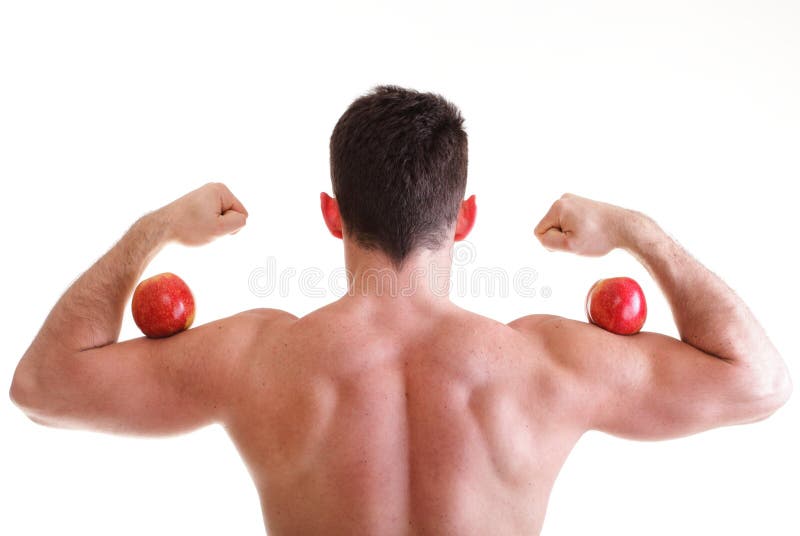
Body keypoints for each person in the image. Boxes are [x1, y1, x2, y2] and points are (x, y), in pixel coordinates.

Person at [9, 85, 792, 535]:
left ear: (331, 212)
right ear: (465, 217)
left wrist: (155, 232)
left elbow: (44, 387)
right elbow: (758, 381)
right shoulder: (548, 364)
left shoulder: (256, 359)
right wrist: (635, 231)